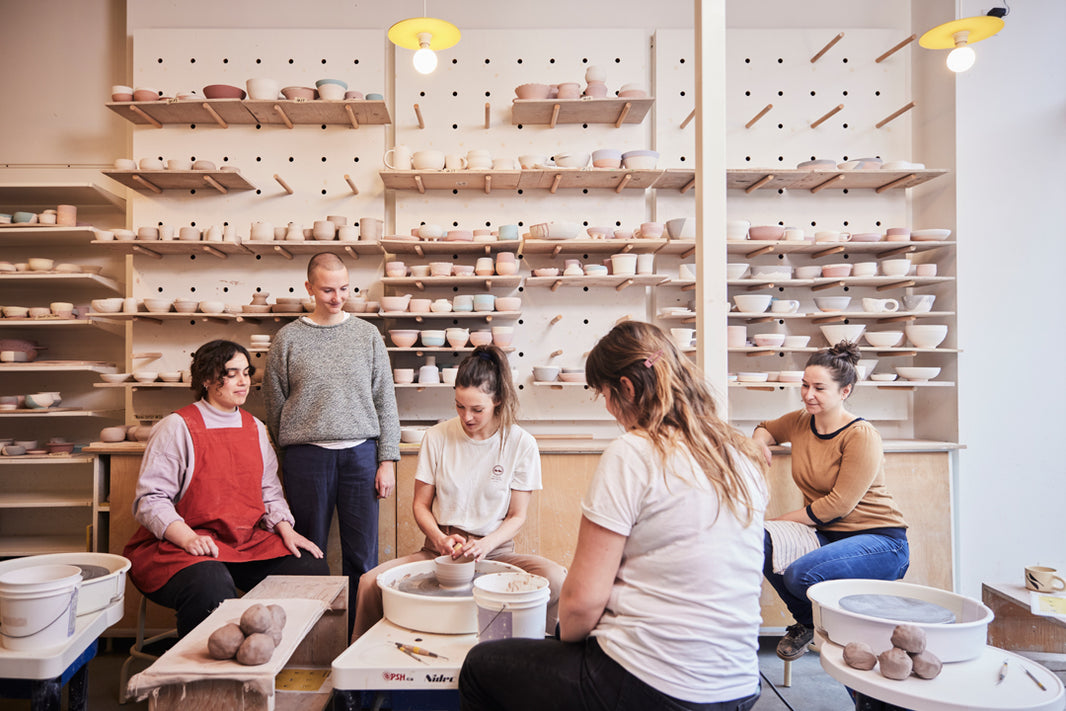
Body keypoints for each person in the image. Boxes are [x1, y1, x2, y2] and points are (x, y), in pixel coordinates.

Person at [459, 321, 767, 711]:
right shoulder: (740, 455)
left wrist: (562, 638)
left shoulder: (633, 452)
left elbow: (580, 605)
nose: (607, 407)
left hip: (657, 685)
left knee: (480, 667)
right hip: (739, 682)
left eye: (604, 393)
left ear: (627, 387)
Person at [351, 345, 567, 640]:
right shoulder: (437, 436)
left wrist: (486, 544)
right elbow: (420, 505)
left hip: (496, 552)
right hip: (439, 550)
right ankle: (357, 677)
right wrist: (439, 539)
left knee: (555, 578)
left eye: (477, 409)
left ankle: (536, 658)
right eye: (459, 406)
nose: (467, 417)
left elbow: (517, 515)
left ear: (498, 401)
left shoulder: (521, 443)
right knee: (369, 583)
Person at [123, 340, 327, 638]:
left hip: (242, 541)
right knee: (211, 582)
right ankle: (203, 675)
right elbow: (151, 501)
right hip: (182, 544)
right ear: (206, 379)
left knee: (310, 568)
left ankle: (280, 655)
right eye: (231, 373)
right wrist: (188, 537)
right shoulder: (177, 427)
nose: (243, 381)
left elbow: (269, 491)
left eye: (246, 372)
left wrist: (285, 528)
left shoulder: (255, 427)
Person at [263, 252, 400, 623]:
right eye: (327, 290)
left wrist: (386, 460)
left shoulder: (367, 335)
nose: (337, 297)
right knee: (308, 554)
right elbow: (273, 404)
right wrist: (286, 455)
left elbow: (385, 400)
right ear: (308, 288)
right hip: (306, 459)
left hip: (361, 455)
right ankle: (309, 634)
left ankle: (360, 632)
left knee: (362, 556)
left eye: (343, 288)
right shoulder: (287, 339)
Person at [753, 341, 909, 662]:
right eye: (805, 385)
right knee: (757, 539)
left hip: (880, 540)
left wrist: (781, 520)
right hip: (825, 536)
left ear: (845, 391)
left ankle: (828, 631)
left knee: (800, 575)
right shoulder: (800, 421)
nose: (809, 394)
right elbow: (766, 428)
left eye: (819, 388)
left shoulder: (860, 434)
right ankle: (808, 623)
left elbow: (837, 505)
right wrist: (759, 444)